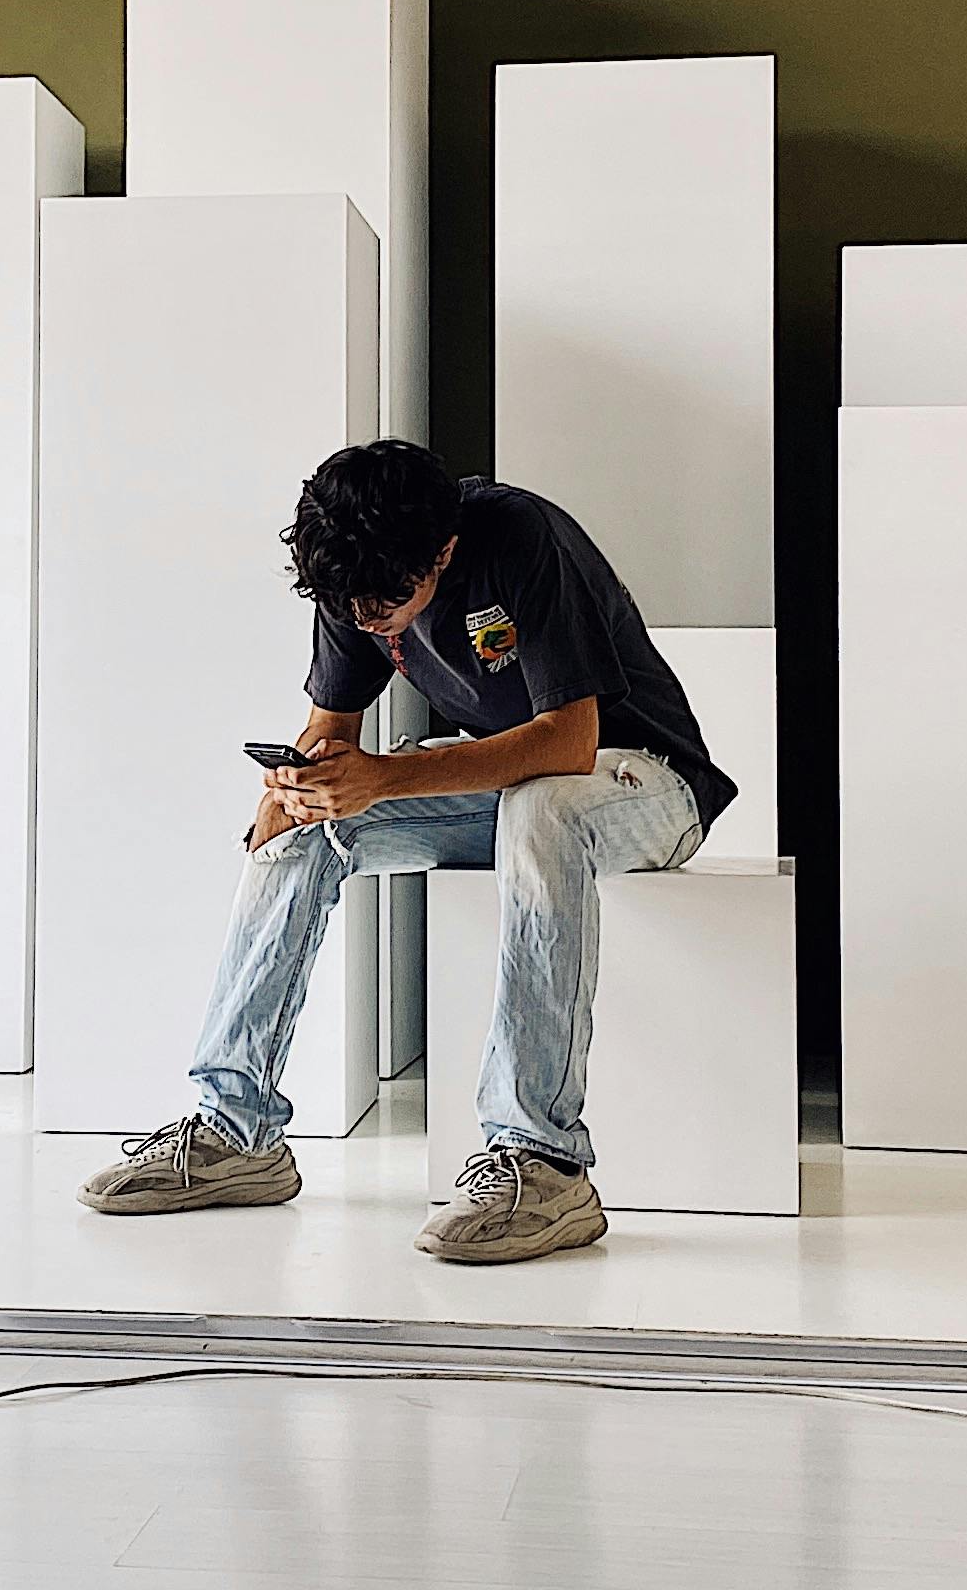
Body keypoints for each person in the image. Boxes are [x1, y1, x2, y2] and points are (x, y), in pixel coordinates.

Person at [80, 440, 732, 1264]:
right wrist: (295, 791)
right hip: (515, 790)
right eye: (348, 605)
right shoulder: (354, 570)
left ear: (445, 552)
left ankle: (543, 1161)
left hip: (647, 781)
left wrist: (385, 777)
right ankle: (234, 1130)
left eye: (389, 599)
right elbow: (330, 727)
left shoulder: (521, 536)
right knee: (303, 830)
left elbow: (569, 744)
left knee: (543, 809)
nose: (368, 619)